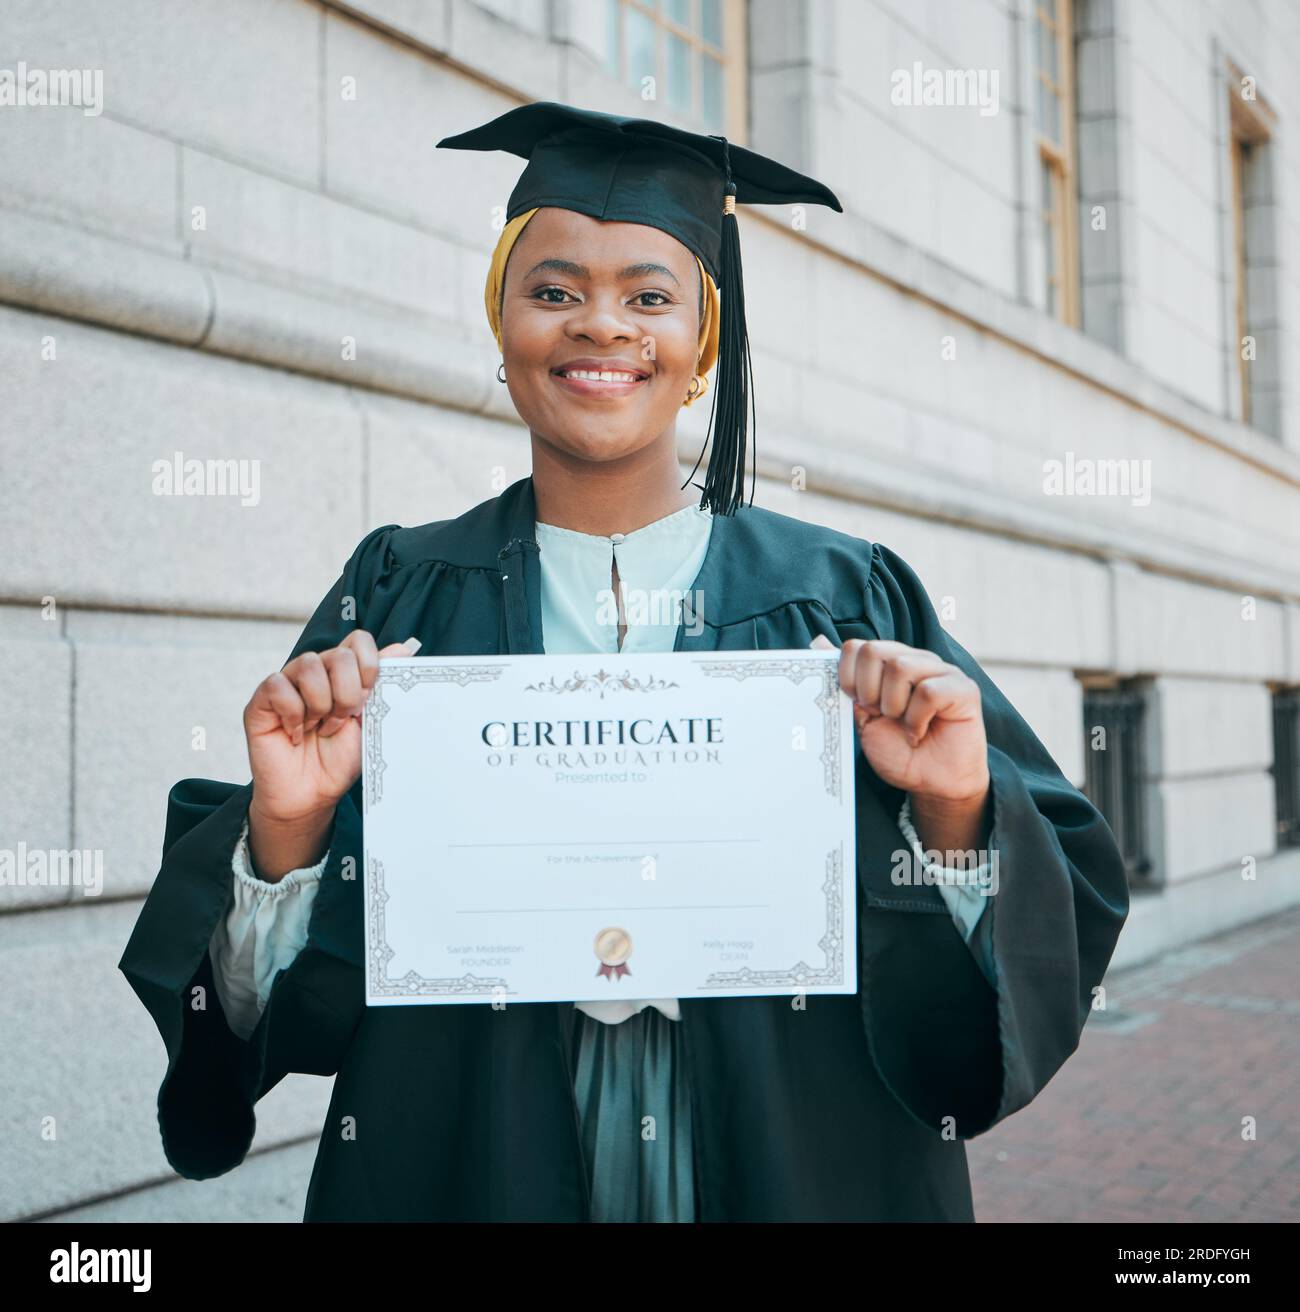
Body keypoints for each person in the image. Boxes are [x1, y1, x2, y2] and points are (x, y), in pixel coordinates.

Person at [119, 101, 1130, 1222]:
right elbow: (274, 1018)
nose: (602, 325)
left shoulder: (841, 600)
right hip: (473, 1140)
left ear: (703, 344)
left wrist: (952, 812)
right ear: (499, 324)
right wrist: (291, 830)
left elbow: (1047, 920)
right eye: (553, 290)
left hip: (786, 1140)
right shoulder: (404, 590)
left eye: (650, 296)